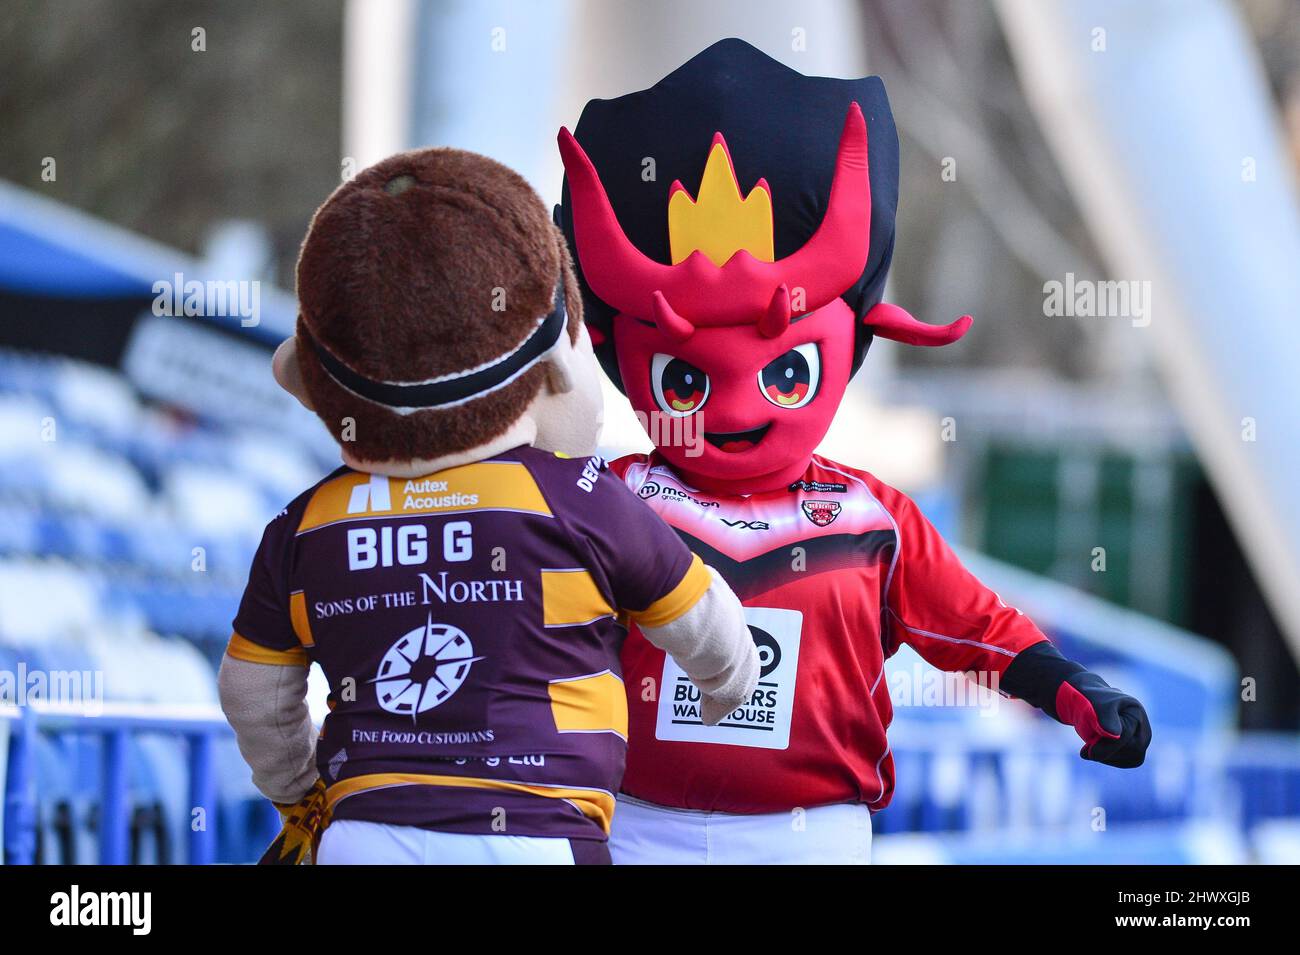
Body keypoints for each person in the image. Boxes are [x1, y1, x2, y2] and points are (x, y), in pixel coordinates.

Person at [555, 38, 1151, 864]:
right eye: (686, 380)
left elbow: (973, 627)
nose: (732, 407)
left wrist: (1071, 688)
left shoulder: (873, 516)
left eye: (785, 372)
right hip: (632, 826)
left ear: (850, 347)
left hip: (811, 836)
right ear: (627, 361)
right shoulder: (607, 499)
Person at [218, 146, 758, 865]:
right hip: (543, 832)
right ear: (555, 361)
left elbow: (252, 692)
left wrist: (297, 790)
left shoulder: (304, 526)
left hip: (366, 832)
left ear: (306, 377)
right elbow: (704, 620)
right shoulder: (576, 496)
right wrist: (730, 681)